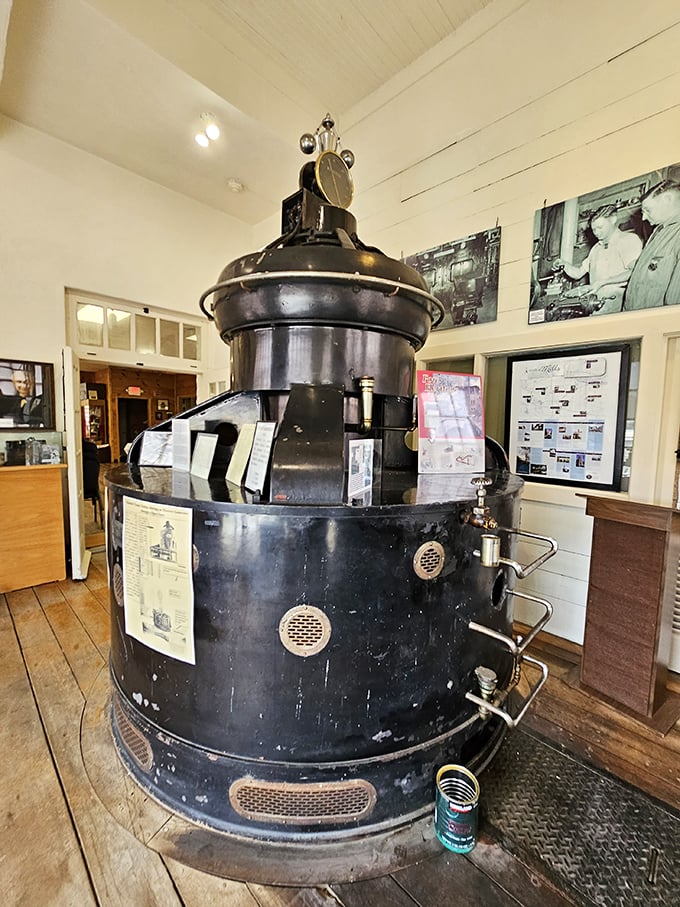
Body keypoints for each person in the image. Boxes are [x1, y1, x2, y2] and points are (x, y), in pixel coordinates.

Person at [552, 205, 642, 314]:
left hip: (618, 302)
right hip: (595, 303)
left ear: (613, 219)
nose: (597, 233)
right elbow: (578, 273)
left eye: (600, 227)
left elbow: (635, 272)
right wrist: (564, 264)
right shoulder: (596, 249)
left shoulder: (627, 240)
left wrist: (602, 283)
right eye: (594, 229)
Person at [624, 179, 680, 310]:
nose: (644, 218)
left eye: (648, 210)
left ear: (667, 199)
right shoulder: (659, 231)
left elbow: (674, 300)